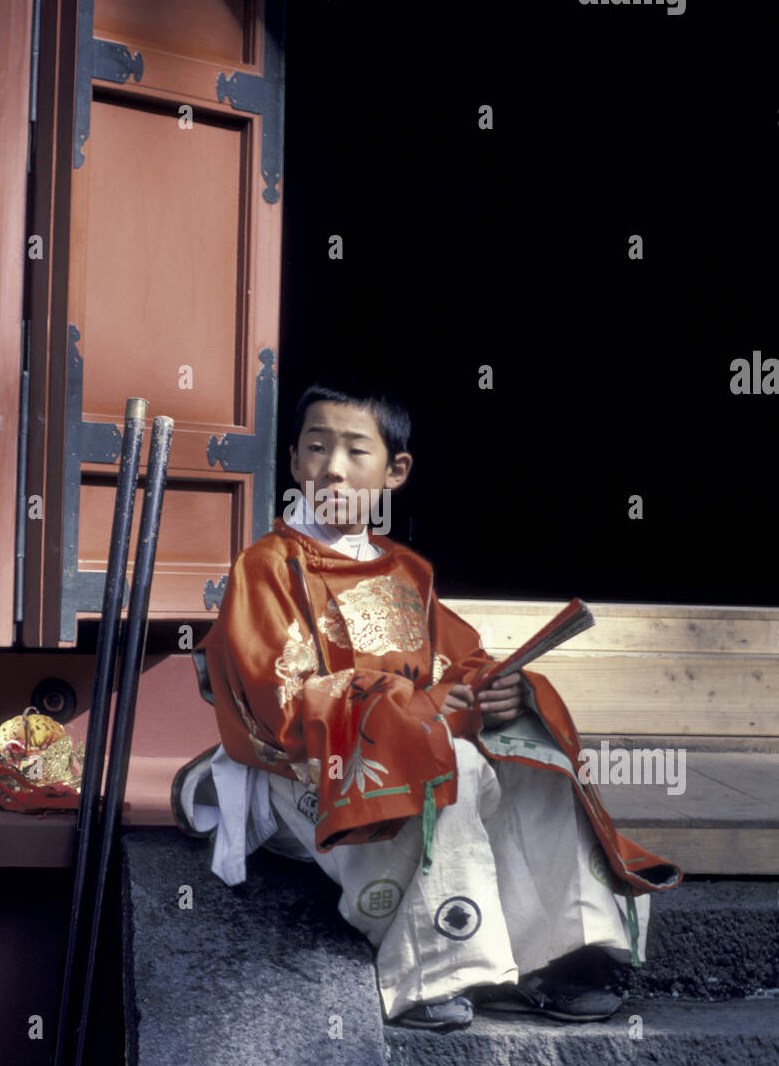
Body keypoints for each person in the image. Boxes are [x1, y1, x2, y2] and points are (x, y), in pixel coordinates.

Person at [173, 381, 682, 1032]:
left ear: (396, 471)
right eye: (316, 447)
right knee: (456, 769)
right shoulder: (266, 567)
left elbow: (458, 659)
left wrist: (496, 691)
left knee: (525, 737)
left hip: (406, 741)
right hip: (303, 771)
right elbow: (279, 695)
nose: (332, 466)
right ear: (296, 462)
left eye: (356, 451)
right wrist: (407, 710)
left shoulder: (405, 571)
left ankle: (558, 951)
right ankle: (434, 968)